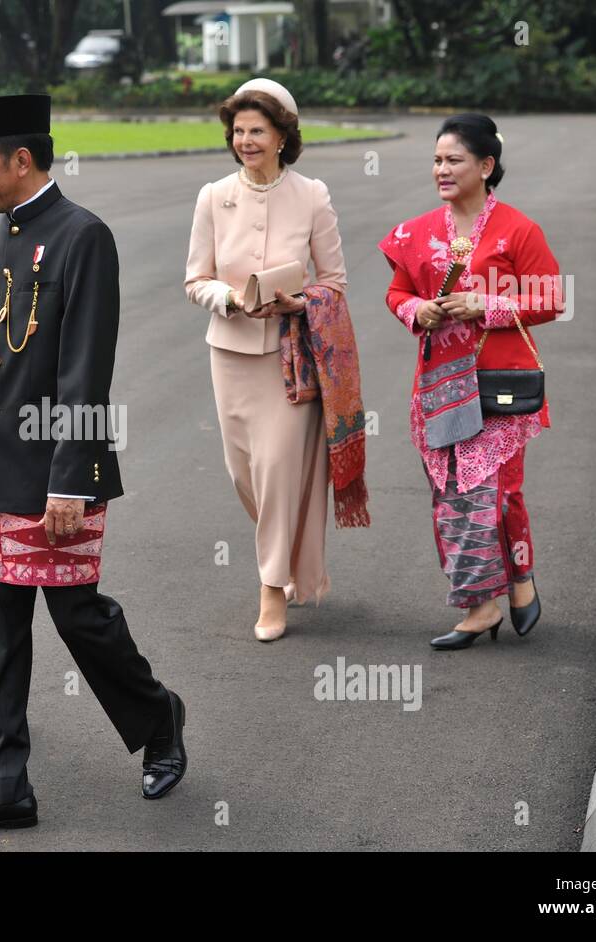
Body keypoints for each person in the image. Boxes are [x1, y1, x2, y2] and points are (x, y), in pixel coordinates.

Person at [0, 94, 187, 838]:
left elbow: (84, 368)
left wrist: (72, 476)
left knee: (77, 618)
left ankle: (158, 716)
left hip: (57, 468)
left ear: (21, 160)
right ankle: (1, 789)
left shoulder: (81, 236)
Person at [184, 78, 369, 643]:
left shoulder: (312, 195)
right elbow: (195, 280)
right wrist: (231, 298)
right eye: (238, 131)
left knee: (277, 470)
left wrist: (299, 302)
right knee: (245, 474)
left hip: (294, 359)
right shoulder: (214, 196)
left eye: (257, 131)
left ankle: (271, 589)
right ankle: (285, 555)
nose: (245, 140)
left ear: (283, 135)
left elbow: (334, 283)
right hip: (231, 356)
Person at [378, 113, 560, 650]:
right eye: (436, 160)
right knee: (452, 496)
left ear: (486, 166)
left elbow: (551, 299)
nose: (441, 169)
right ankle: (479, 607)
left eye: (453, 159)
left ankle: (521, 579)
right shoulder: (415, 232)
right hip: (438, 386)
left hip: (500, 385)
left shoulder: (519, 230)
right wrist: (417, 310)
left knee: (500, 494)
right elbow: (395, 293)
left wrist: (488, 304)